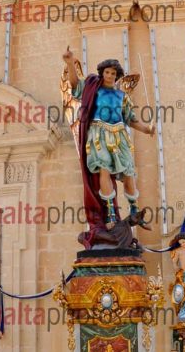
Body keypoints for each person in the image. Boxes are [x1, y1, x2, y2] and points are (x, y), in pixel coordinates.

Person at [62, 46, 155, 229]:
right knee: (104, 170)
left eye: (113, 73)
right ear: (102, 73)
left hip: (119, 134)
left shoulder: (122, 96)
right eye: (107, 72)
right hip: (99, 135)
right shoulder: (93, 90)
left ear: (117, 75)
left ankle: (134, 210)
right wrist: (70, 63)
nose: (110, 75)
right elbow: (75, 85)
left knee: (128, 173)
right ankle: (110, 214)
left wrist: (146, 129)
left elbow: (130, 119)